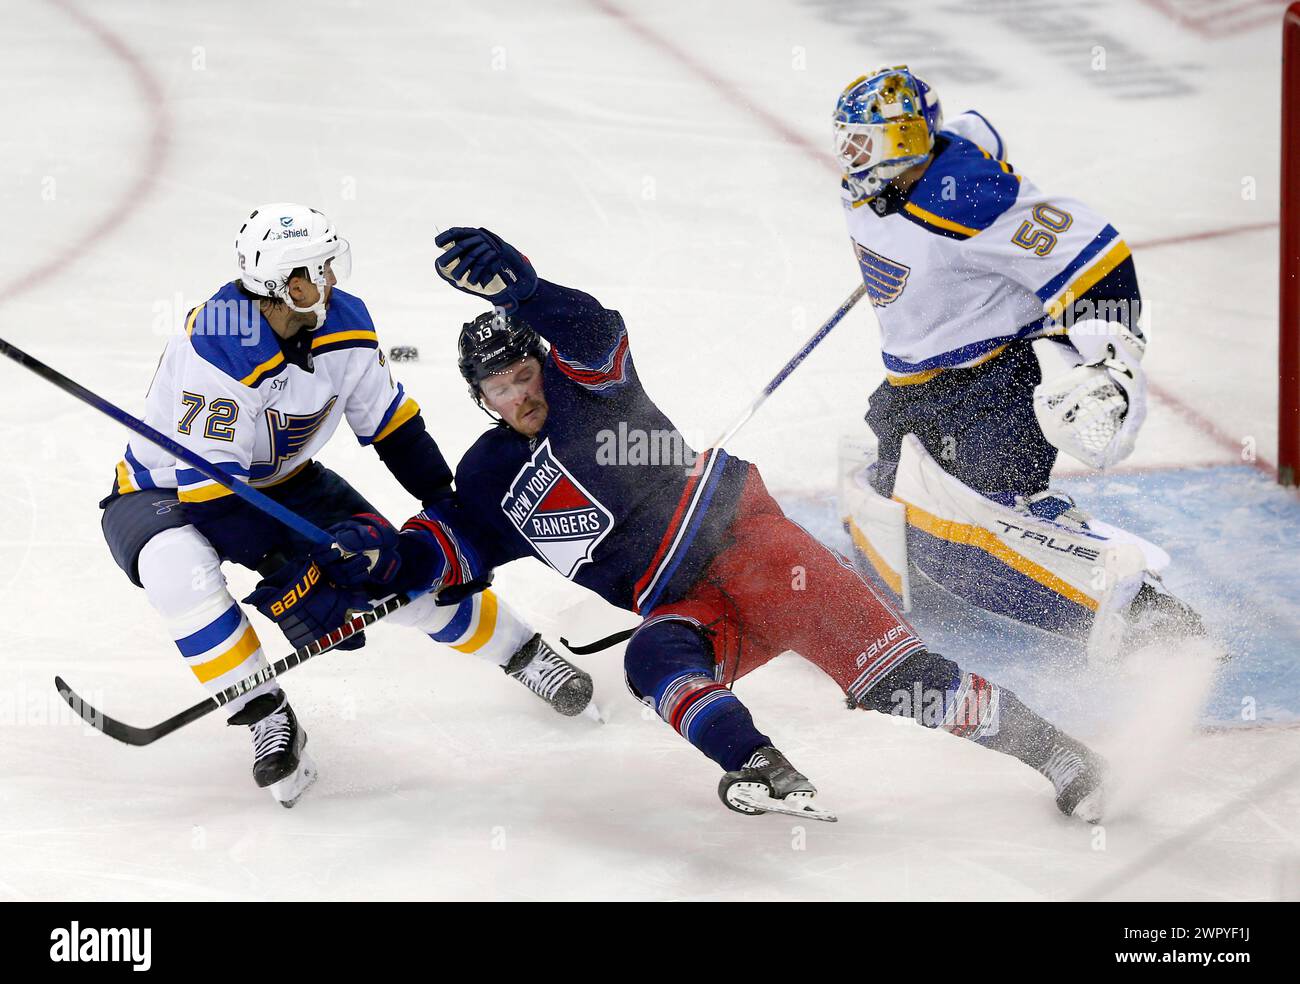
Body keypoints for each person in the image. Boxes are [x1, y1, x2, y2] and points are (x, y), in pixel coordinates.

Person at [315, 226, 1107, 822]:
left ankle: (1060, 753)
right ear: (479, 396)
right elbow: (444, 547)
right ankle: (762, 765)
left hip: (748, 547)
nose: (520, 394)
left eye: (525, 373)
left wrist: (528, 293)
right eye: (500, 388)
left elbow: (594, 328)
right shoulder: (488, 477)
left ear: (542, 363)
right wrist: (373, 558)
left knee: (901, 685)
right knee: (652, 658)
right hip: (687, 602)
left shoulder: (592, 387)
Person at [98, 204, 592, 808]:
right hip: (164, 491)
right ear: (287, 284)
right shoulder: (219, 346)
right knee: (177, 571)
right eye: (320, 269)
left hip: (284, 479)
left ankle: (522, 651)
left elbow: (394, 428)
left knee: (388, 568)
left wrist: (447, 508)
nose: (332, 278)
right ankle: (264, 716)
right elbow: (215, 499)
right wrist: (294, 571)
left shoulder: (345, 321)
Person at [830, 66, 1204, 661]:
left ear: (904, 142)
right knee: (893, 505)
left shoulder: (966, 198)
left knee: (971, 537)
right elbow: (978, 129)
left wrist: (1112, 359)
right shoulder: (886, 183)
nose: (851, 159)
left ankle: (1146, 617)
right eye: (847, 142)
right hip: (917, 385)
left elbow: (1096, 252)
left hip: (991, 387)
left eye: (864, 144)